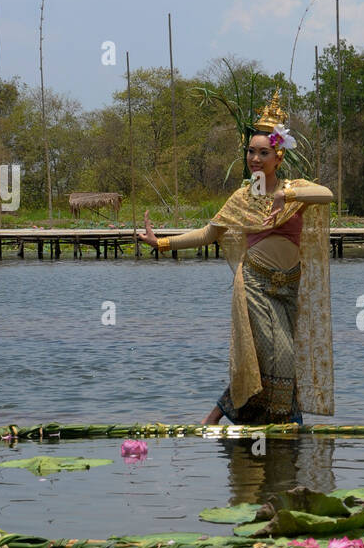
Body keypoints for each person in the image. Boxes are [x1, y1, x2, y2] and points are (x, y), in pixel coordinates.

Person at [138, 91, 334, 424]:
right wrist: (162, 244)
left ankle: (254, 420)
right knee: (280, 355)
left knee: (264, 358)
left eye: (263, 152)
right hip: (254, 284)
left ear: (279, 157)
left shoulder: (295, 190)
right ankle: (268, 420)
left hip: (288, 287)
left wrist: (288, 195)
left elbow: (327, 194)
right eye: (250, 152)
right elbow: (207, 234)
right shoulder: (243, 197)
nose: (255, 159)